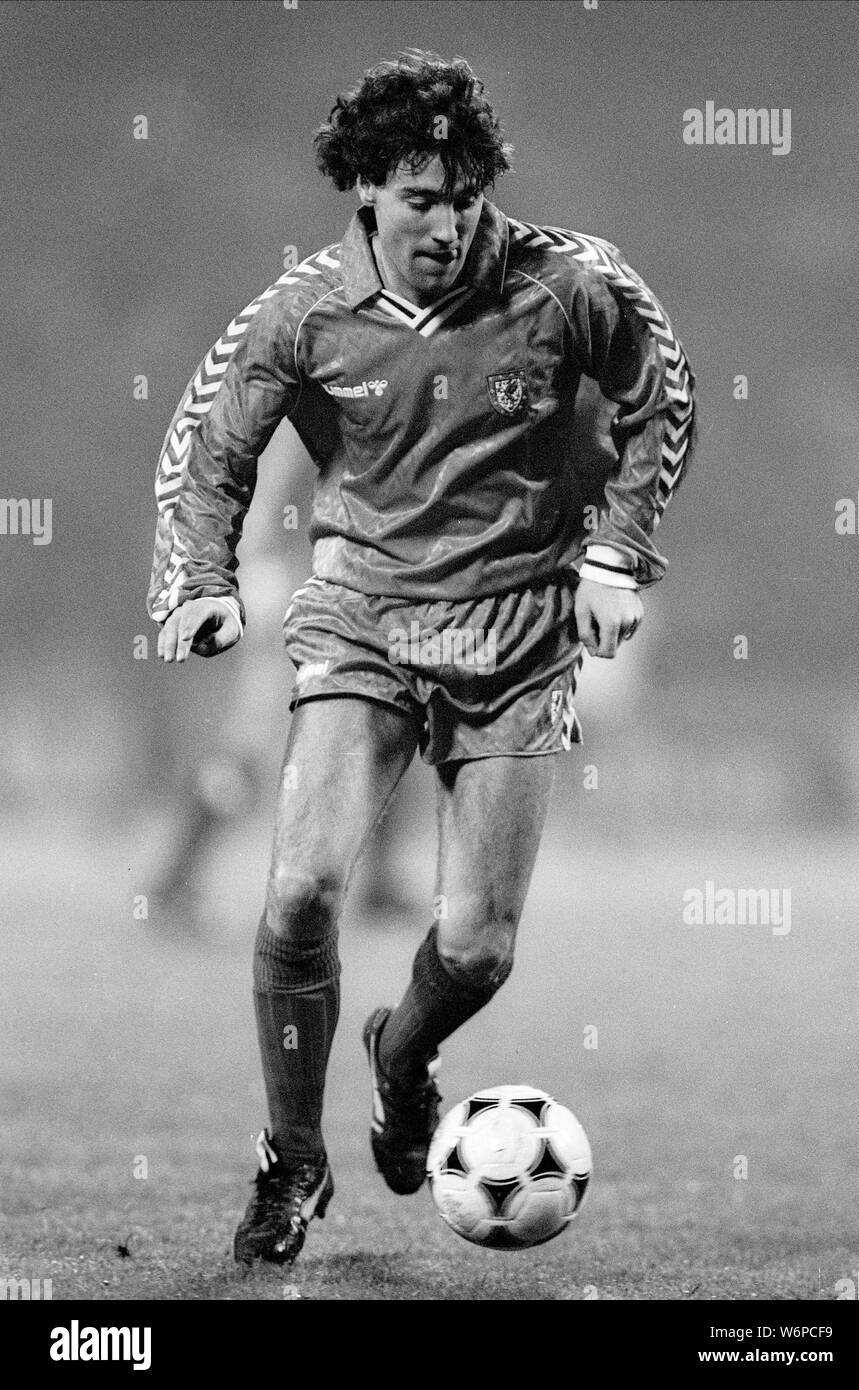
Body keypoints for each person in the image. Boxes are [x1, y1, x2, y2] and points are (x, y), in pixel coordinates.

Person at [146, 52, 696, 1266]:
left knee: (480, 947)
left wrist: (615, 553)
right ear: (362, 192)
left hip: (514, 635)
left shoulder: (568, 282)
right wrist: (198, 581)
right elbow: (208, 446)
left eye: (464, 195)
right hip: (363, 623)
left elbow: (664, 392)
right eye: (418, 199)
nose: (447, 223)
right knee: (297, 891)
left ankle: (401, 1057)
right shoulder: (301, 309)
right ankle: (292, 1164)